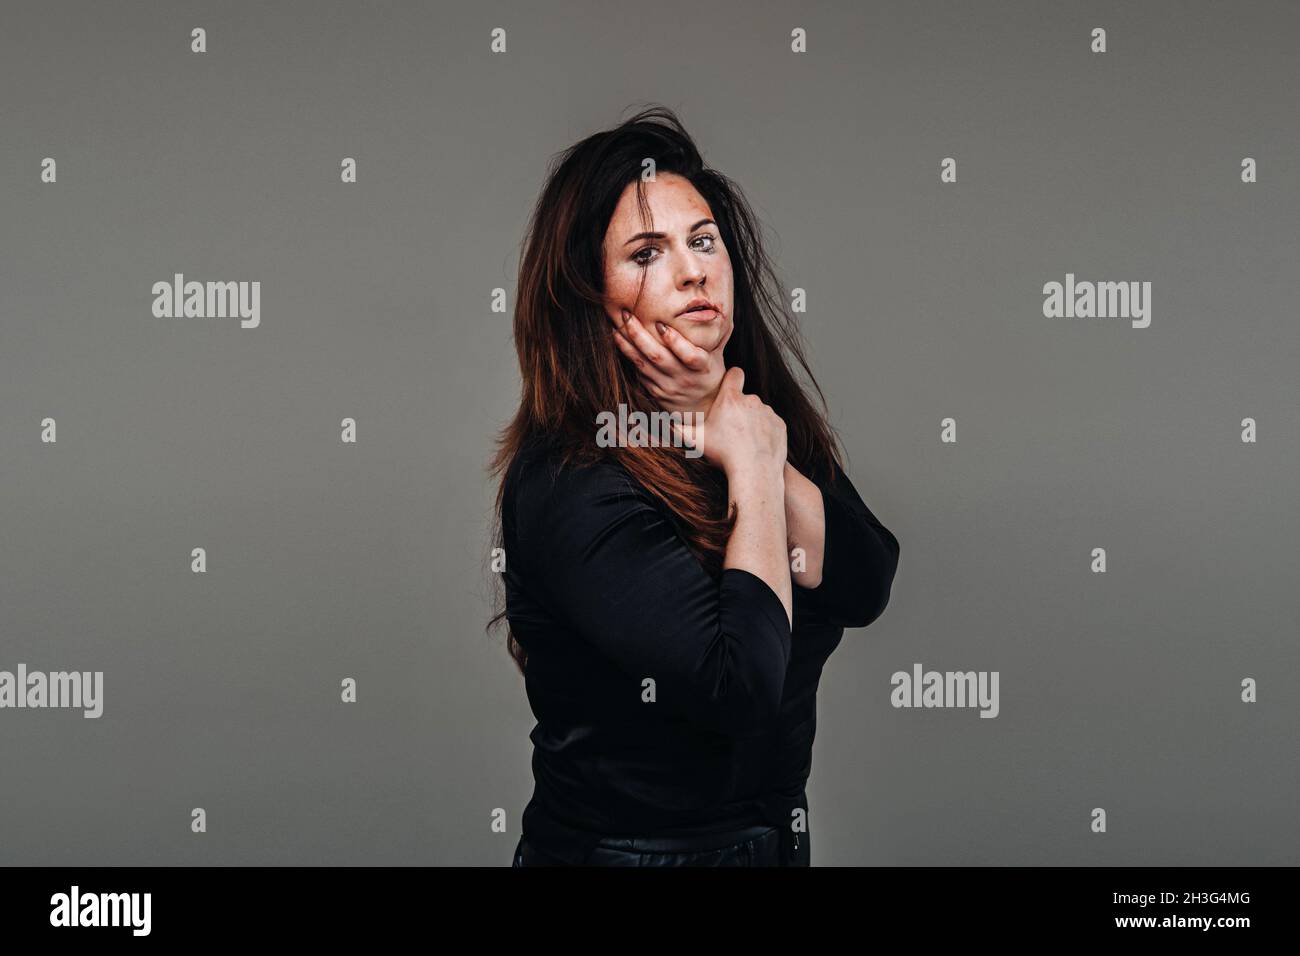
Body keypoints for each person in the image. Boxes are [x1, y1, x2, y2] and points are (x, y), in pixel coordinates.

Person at [488, 105, 900, 866]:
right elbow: (739, 689)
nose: (691, 269)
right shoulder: (573, 476)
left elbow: (867, 579)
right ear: (588, 296)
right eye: (646, 253)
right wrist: (748, 464)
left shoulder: (758, 420)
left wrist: (745, 439)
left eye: (703, 241)